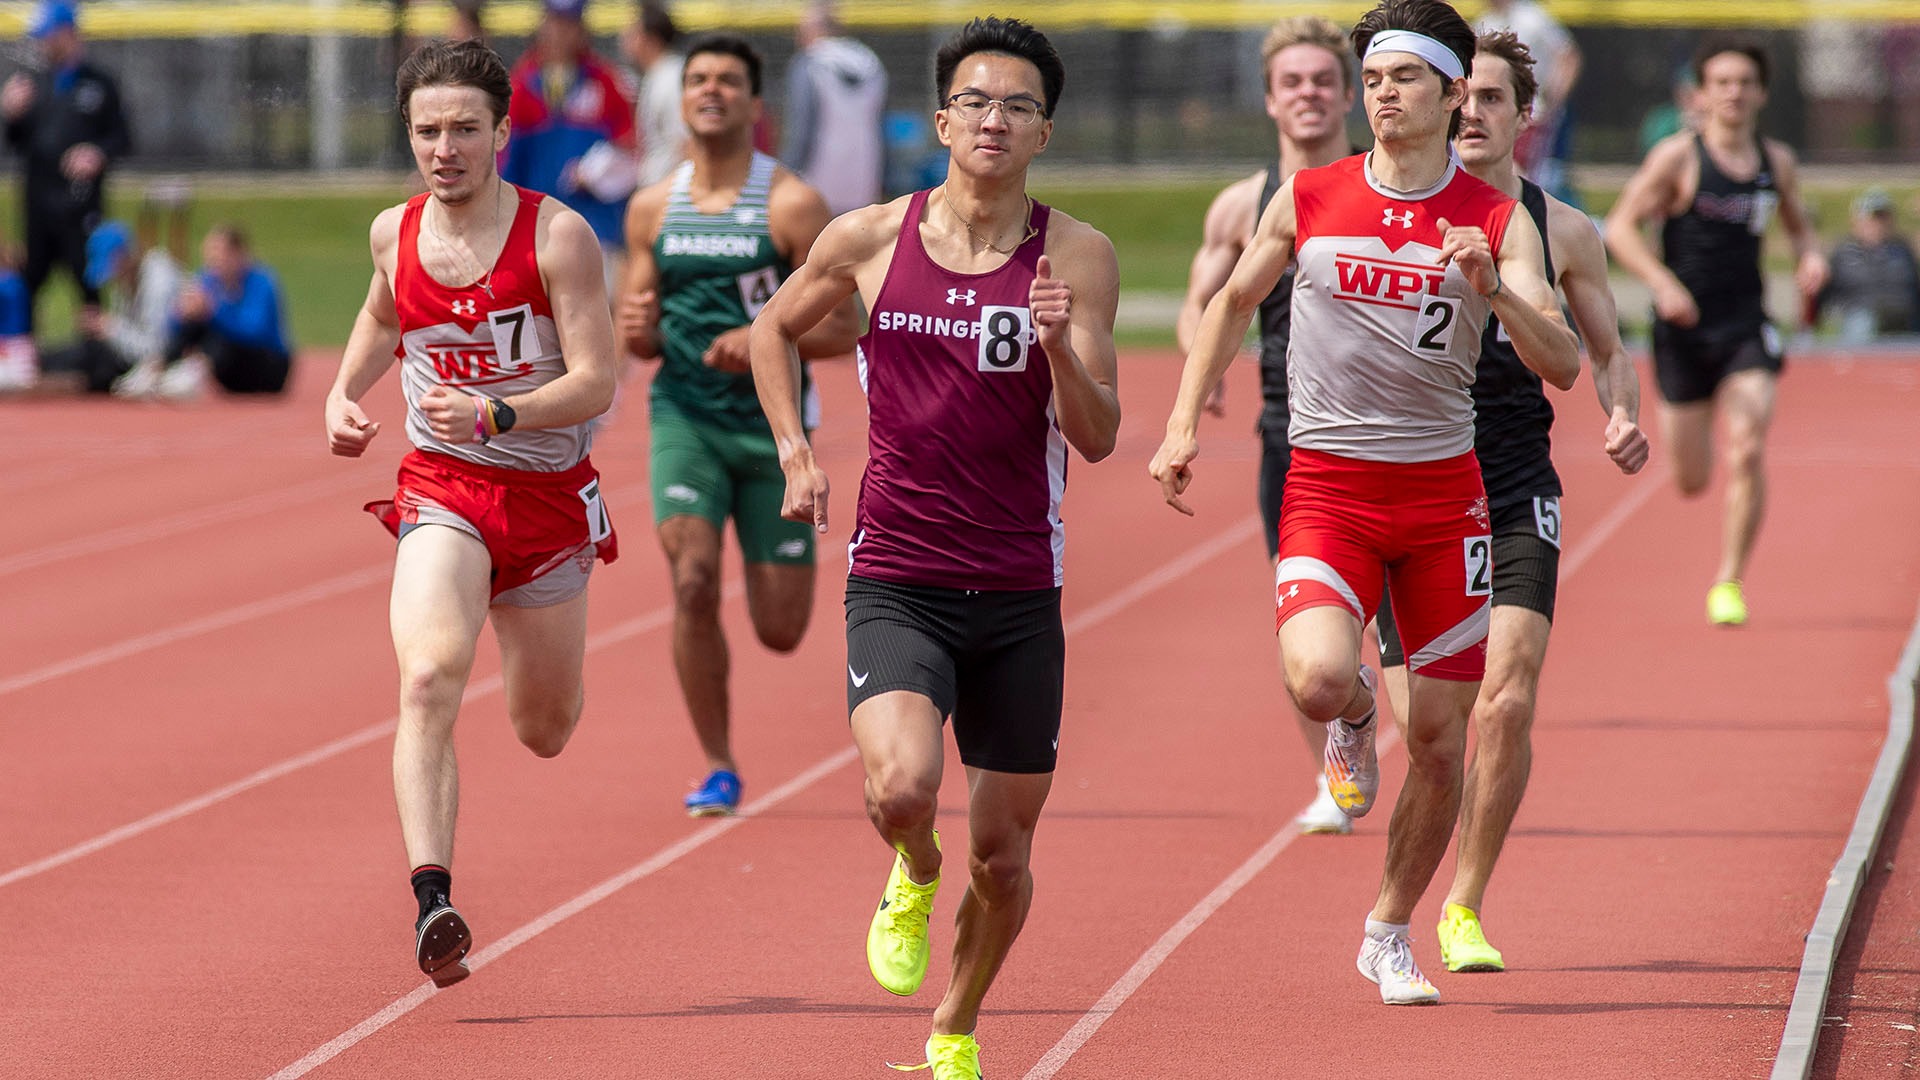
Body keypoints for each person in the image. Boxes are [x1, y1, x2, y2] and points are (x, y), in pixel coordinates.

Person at [1149, 0, 1579, 1005]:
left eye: (1405, 80)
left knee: (1438, 744)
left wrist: (1500, 291)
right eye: (1374, 79)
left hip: (1444, 503)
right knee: (1318, 679)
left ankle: (1389, 929)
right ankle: (1347, 719)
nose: (1384, 96)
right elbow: (1228, 302)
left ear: (1450, 95)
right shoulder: (1309, 195)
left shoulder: (1497, 218)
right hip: (1330, 487)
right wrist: (1179, 424)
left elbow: (1560, 362)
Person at [749, 17, 1120, 1075]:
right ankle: (911, 869)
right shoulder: (869, 239)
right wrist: (796, 452)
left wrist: (1057, 345)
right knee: (905, 789)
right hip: (899, 576)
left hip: (1017, 592)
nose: (993, 119)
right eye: (976, 101)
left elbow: (1095, 438)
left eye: (1017, 106)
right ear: (943, 119)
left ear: (1043, 132)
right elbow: (775, 328)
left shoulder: (1077, 256)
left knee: (1003, 859)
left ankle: (954, 1027)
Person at [323, 38, 620, 989]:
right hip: (443, 485)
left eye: (462, 129)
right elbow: (382, 315)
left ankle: (531, 645)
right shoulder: (393, 232)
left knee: (546, 728)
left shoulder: (557, 237)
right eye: (426, 131)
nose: (443, 148)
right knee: (427, 678)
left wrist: (504, 410)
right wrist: (341, 390)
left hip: (544, 499)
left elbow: (597, 379)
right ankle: (433, 901)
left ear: (500, 132)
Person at [1372, 29, 1649, 977]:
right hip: (1409, 483)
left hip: (1513, 479)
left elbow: (1607, 352)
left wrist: (1622, 419)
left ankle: (1464, 902)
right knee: (1429, 733)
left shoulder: (1560, 226)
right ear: (1444, 102)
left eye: (1497, 100)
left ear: (1523, 119)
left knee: (1508, 697)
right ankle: (1350, 722)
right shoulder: (1382, 205)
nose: (1478, 113)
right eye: (1468, 96)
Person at [617, 34, 856, 817]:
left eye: (727, 80)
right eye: (698, 80)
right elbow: (641, 328)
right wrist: (637, 329)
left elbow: (849, 323)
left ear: (757, 106)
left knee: (781, 629)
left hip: (772, 430)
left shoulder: (790, 203)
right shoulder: (653, 207)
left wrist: (761, 339)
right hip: (685, 417)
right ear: (681, 99)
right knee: (689, 581)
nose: (710, 90)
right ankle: (718, 764)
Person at [1177, 15, 1362, 838]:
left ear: (1349, 94)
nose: (1309, 94)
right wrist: (1204, 367)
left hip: (1394, 431)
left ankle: (1421, 752)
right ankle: (1331, 770)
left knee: (1400, 629)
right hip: (1289, 436)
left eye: (1324, 79)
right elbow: (1199, 305)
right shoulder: (1243, 206)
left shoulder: (1386, 186)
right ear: (1269, 100)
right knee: (1304, 620)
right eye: (1293, 82)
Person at [1604, 36, 1827, 627]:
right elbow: (1620, 227)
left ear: (1761, 92)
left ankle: (1728, 580)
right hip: (1682, 332)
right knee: (1692, 478)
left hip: (1745, 325)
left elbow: (1800, 228)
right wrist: (1661, 283)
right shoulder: (1677, 158)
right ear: (1701, 94)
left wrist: (1810, 258)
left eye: (1745, 82)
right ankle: (1703, 488)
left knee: (1749, 443)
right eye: (1722, 82)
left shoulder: (1774, 161)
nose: (1734, 93)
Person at [1, 0, 132, 336]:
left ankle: (98, 359)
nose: (43, 43)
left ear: (67, 33)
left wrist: (97, 154)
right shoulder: (33, 84)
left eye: (48, 35)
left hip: (81, 208)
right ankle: (22, 355)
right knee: (28, 283)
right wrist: (12, 116)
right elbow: (16, 144)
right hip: (38, 206)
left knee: (88, 282)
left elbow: (123, 139)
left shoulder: (100, 84)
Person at [502, 0, 640, 286]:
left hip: (595, 224)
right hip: (536, 223)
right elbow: (508, 161)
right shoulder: (522, 83)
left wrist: (596, 171)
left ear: (582, 28)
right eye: (554, 22)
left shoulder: (605, 81)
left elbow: (630, 146)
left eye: (569, 24)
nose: (560, 32)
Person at [29, 212, 185, 397]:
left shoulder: (160, 282)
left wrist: (111, 328)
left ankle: (32, 366)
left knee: (93, 359)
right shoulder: (127, 280)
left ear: (124, 256)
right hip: (134, 356)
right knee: (86, 351)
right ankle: (34, 361)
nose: (112, 278)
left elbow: (155, 348)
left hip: (168, 359)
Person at [147, 225, 294, 397]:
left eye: (219, 254)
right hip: (230, 372)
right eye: (210, 255)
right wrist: (183, 312)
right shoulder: (209, 279)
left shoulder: (261, 282)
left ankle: (192, 374)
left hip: (267, 366)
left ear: (238, 254)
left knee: (221, 337)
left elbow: (255, 331)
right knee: (195, 324)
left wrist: (213, 311)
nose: (213, 261)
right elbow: (174, 327)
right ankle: (156, 371)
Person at [781, 2, 888, 217]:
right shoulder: (871, 63)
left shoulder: (809, 63)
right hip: (864, 177)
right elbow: (881, 126)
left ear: (812, 29)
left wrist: (787, 177)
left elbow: (801, 130)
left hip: (816, 182)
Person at [1471, 0, 1578, 202]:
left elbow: (1568, 56)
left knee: (1533, 174)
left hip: (1533, 114)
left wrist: (1554, 99)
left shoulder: (1533, 18)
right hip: (1494, 111)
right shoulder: (1485, 21)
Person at [1814, 188, 1920, 344]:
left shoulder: (1903, 251)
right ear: (1857, 220)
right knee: (1863, 322)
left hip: (1903, 318)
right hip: (1861, 316)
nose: (1878, 224)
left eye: (1883, 217)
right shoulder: (1843, 253)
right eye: (1873, 217)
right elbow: (1822, 295)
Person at [621, 2, 688, 189]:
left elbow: (686, 143)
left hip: (672, 193)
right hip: (662, 191)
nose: (624, 39)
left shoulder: (672, 78)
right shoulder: (658, 76)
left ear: (651, 39)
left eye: (632, 33)